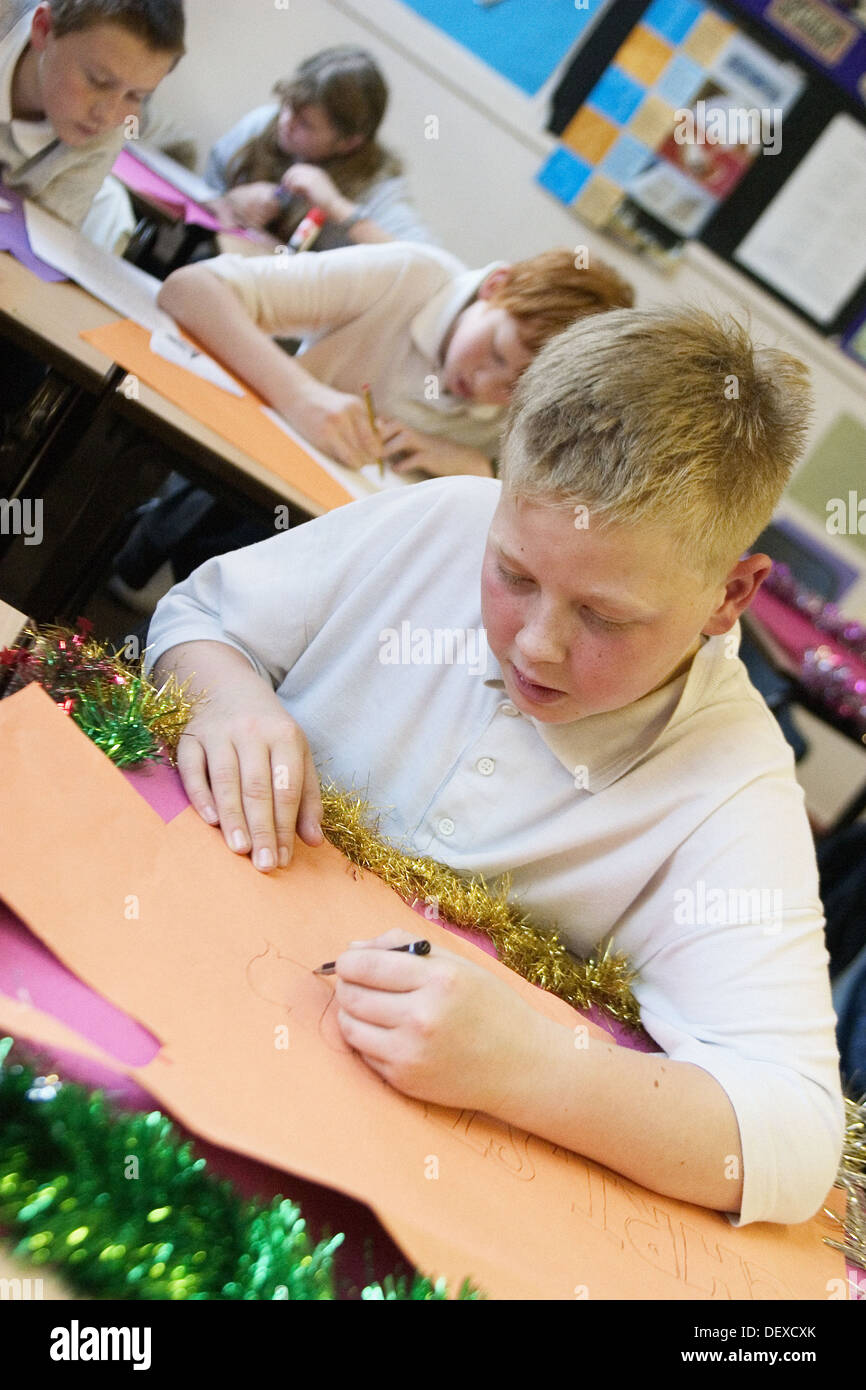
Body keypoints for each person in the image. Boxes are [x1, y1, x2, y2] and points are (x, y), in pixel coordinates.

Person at [145, 306, 844, 1225]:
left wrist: (535, 1069)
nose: (540, 648)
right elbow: (199, 619)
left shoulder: (734, 781)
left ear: (730, 594)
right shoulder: (442, 518)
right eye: (513, 575)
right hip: (171, 960)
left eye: (605, 617)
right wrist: (228, 697)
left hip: (346, 1163)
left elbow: (793, 1136)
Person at [156, 241, 635, 476]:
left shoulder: (553, 396)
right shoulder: (407, 275)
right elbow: (191, 289)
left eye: (515, 389)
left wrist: (477, 470)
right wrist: (301, 396)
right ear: (495, 287)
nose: (488, 385)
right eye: (494, 352)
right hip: (236, 470)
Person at [204, 46, 431, 249]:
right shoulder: (264, 123)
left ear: (349, 141)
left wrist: (336, 206)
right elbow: (199, 195)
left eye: (305, 124)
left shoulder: (377, 187)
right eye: (287, 106)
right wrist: (229, 201)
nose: (286, 123)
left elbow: (425, 266)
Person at [0, 0, 185, 229]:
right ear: (44, 28)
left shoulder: (102, 132)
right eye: (98, 81)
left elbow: (38, 244)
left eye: (136, 96)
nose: (107, 116)